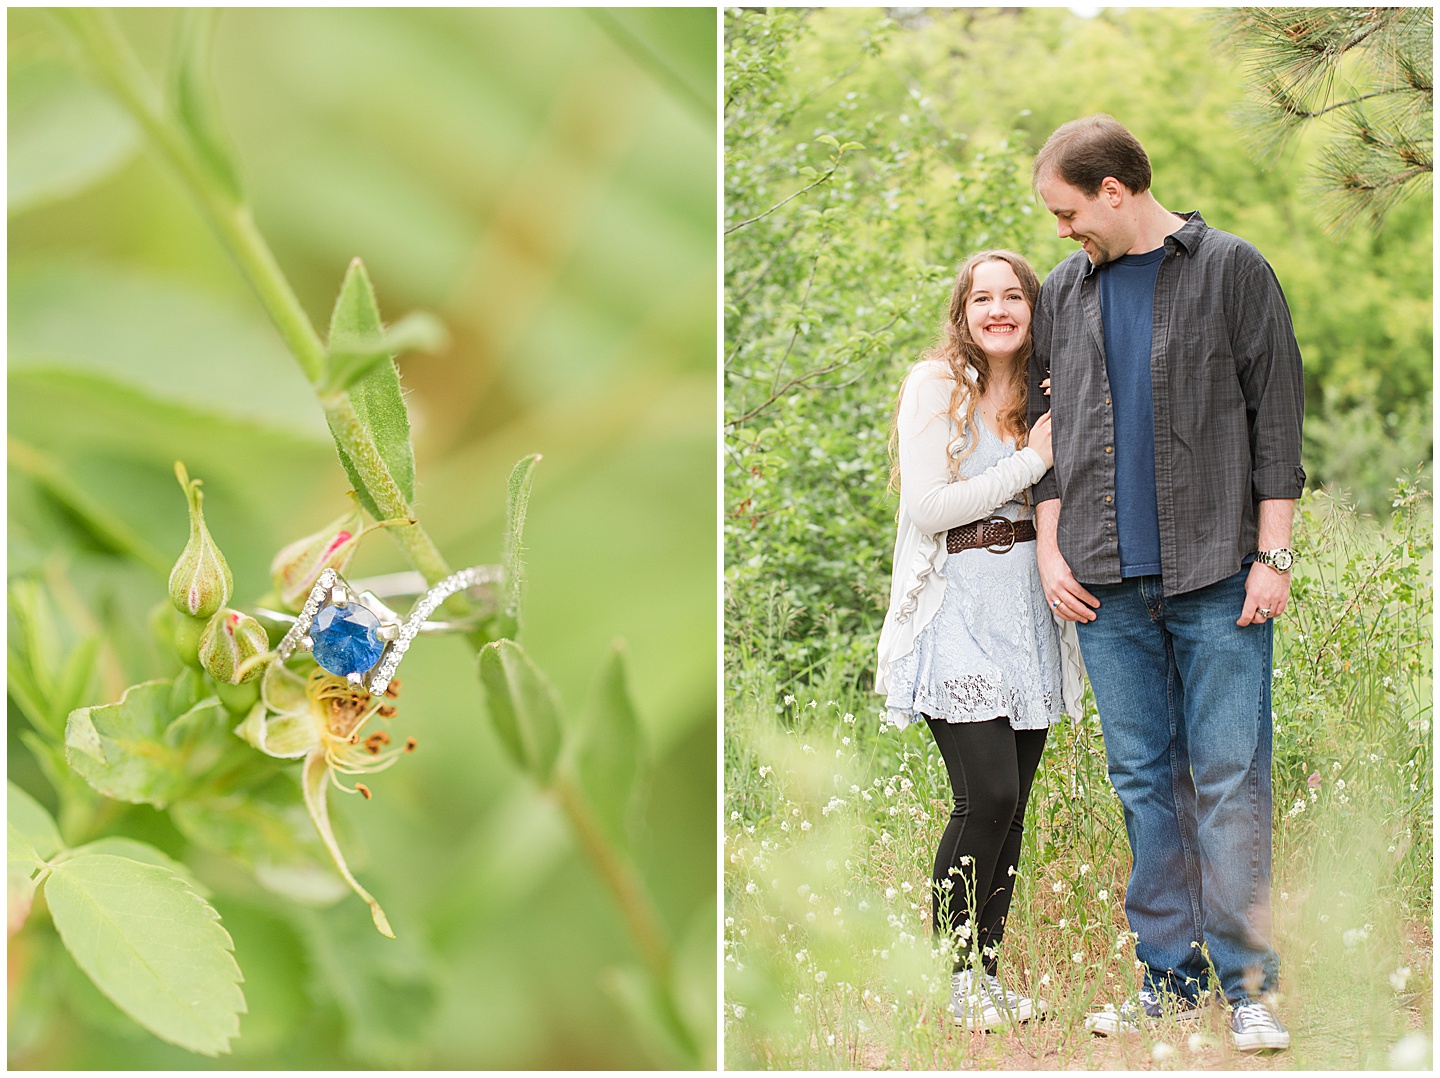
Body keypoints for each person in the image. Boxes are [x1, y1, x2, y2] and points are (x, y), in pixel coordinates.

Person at [1027, 115, 1304, 1052]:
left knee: (1229, 781)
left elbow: (1278, 423)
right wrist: (1047, 549)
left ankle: (1249, 986)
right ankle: (1169, 981)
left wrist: (1275, 555)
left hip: (1219, 576)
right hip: (1104, 585)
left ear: (1115, 190)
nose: (1060, 233)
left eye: (1067, 212)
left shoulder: (1233, 270)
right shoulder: (1066, 293)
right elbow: (1050, 440)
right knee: (1146, 782)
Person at [876, 249, 1084, 1031]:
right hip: (956, 609)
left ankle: (986, 975)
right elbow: (930, 507)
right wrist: (1033, 461)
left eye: (1014, 297)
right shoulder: (938, 387)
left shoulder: (1043, 396)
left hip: (1027, 611)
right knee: (985, 795)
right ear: (962, 315)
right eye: (982, 299)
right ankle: (954, 977)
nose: (998, 310)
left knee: (1014, 806)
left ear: (1034, 308)